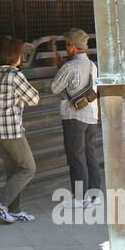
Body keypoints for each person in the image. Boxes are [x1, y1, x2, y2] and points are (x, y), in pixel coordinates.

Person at [0, 35, 40, 223]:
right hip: (11, 131)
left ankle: (14, 209)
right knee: (28, 168)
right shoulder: (15, 76)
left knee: (13, 170)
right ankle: (0, 202)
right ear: (17, 56)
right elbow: (34, 99)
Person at [51, 28, 103, 207]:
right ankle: (95, 194)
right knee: (89, 154)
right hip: (91, 115)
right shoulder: (92, 65)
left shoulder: (69, 66)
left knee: (76, 156)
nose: (66, 48)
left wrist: (59, 69)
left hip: (73, 116)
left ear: (73, 47)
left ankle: (81, 197)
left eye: (67, 45)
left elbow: (55, 88)